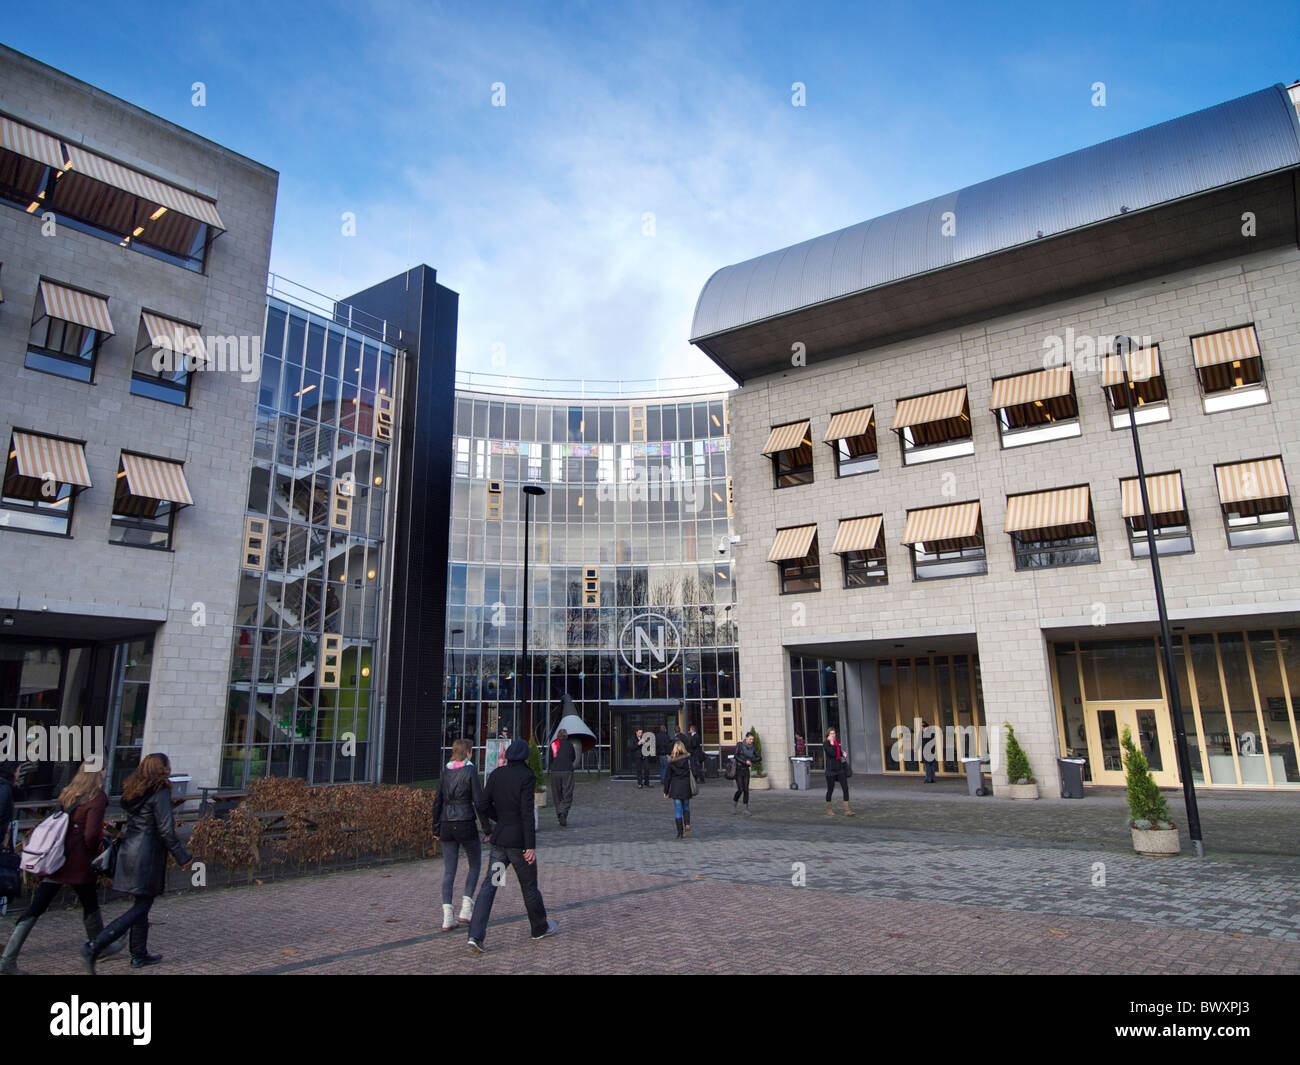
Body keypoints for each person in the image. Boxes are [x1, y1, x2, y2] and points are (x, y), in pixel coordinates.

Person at [2, 762, 123, 974]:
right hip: (78, 861)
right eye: (104, 768)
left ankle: (9, 958)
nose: (106, 771)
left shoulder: (69, 793)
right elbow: (92, 834)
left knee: (38, 907)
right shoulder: (97, 797)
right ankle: (99, 946)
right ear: (98, 773)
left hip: (56, 858)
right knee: (89, 903)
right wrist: (96, 852)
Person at [82, 753, 191, 973]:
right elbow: (166, 829)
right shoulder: (158, 793)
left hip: (130, 852)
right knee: (141, 906)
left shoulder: (135, 791)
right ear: (162, 769)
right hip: (147, 855)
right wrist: (183, 856)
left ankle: (138, 954)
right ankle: (97, 944)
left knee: (141, 904)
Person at [466, 739, 557, 953]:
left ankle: (475, 935)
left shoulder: (497, 775)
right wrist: (530, 846)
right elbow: (526, 812)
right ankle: (539, 927)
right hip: (518, 845)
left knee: (491, 885)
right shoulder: (526, 776)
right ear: (525, 757)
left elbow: (481, 803)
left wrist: (496, 822)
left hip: (500, 844)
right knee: (529, 886)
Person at [432, 739, 488, 932]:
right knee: (475, 863)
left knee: (449, 870)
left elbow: (437, 800)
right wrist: (487, 827)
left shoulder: (446, 770)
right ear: (469, 753)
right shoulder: (470, 770)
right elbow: (479, 801)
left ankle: (447, 916)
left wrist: (435, 828)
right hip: (465, 822)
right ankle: (466, 907)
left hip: (447, 823)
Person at [663, 740, 694, 839]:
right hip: (685, 786)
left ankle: (679, 833)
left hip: (676, 787)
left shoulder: (671, 761)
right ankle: (687, 824)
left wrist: (666, 791)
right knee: (686, 807)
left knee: (678, 811)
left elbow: (667, 778)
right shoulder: (688, 759)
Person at [549, 728, 577, 827]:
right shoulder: (569, 745)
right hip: (567, 770)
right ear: (566, 736)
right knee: (567, 793)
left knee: (556, 794)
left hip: (555, 771)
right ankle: (563, 812)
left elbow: (550, 758)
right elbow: (573, 757)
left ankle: (559, 813)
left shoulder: (553, 744)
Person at [823, 728, 854, 816]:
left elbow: (838, 753)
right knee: (830, 789)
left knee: (845, 788)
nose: (833, 735)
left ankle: (847, 810)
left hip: (839, 769)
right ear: (828, 735)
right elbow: (831, 754)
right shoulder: (826, 744)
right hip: (831, 771)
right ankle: (829, 810)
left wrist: (842, 753)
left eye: (834, 733)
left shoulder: (836, 743)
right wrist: (832, 743)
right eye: (831, 734)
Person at [732, 731, 759, 816]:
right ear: (746, 738)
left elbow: (759, 757)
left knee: (746, 789)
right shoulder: (740, 745)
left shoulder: (752, 748)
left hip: (746, 769)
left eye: (752, 739)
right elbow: (736, 756)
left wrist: (751, 761)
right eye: (750, 739)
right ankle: (734, 805)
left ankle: (745, 808)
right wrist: (744, 761)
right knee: (740, 789)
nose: (751, 741)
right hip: (739, 769)